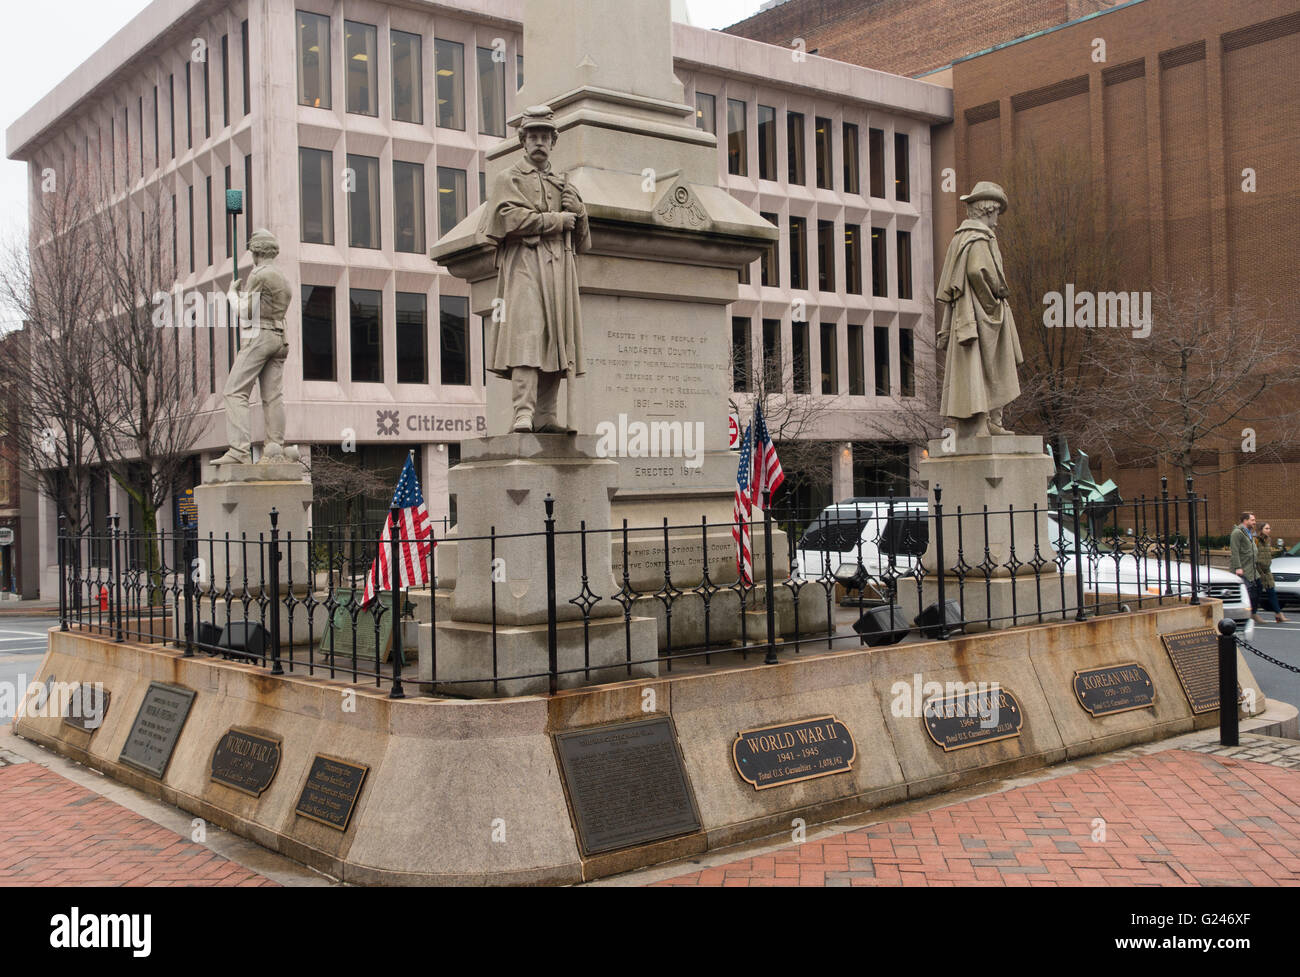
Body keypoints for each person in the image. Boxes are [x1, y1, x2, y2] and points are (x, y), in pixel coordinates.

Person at [479, 104, 590, 434]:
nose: (539, 142)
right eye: (533, 136)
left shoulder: (562, 184)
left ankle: (545, 414)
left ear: (553, 142)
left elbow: (582, 242)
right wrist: (555, 220)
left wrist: (580, 213)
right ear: (523, 141)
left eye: (545, 136)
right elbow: (506, 219)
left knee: (556, 341)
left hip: (558, 268)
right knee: (527, 336)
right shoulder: (508, 178)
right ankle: (522, 412)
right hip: (525, 265)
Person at [935, 181, 1024, 438]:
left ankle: (988, 420)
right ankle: (987, 420)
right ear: (987, 210)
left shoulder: (960, 238)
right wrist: (991, 300)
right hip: (980, 314)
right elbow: (977, 271)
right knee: (992, 364)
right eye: (996, 214)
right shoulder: (979, 238)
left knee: (984, 366)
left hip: (968, 315)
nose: (997, 221)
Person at [212, 229, 293, 466]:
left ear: (255, 251)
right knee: (273, 396)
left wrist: (233, 296)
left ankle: (239, 451)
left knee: (234, 391)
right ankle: (274, 449)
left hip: (261, 335)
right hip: (280, 338)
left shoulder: (260, 274)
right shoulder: (282, 277)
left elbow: (247, 312)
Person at [1228, 511, 1263, 622]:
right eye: (1252, 520)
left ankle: (1253, 612)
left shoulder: (1249, 532)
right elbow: (1235, 551)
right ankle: (1245, 614)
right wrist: (1238, 567)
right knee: (1247, 593)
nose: (1254, 522)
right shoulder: (1237, 533)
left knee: (1258, 588)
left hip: (1252, 568)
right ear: (1245, 520)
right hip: (1243, 569)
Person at [1255, 522, 1289, 623]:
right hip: (1258, 570)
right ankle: (1253, 613)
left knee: (1271, 591)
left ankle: (1278, 614)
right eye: (1266, 528)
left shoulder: (1267, 540)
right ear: (1261, 530)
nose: (1269, 530)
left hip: (1267, 570)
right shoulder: (1256, 540)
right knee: (1258, 592)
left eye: (1269, 528)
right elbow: (1255, 555)